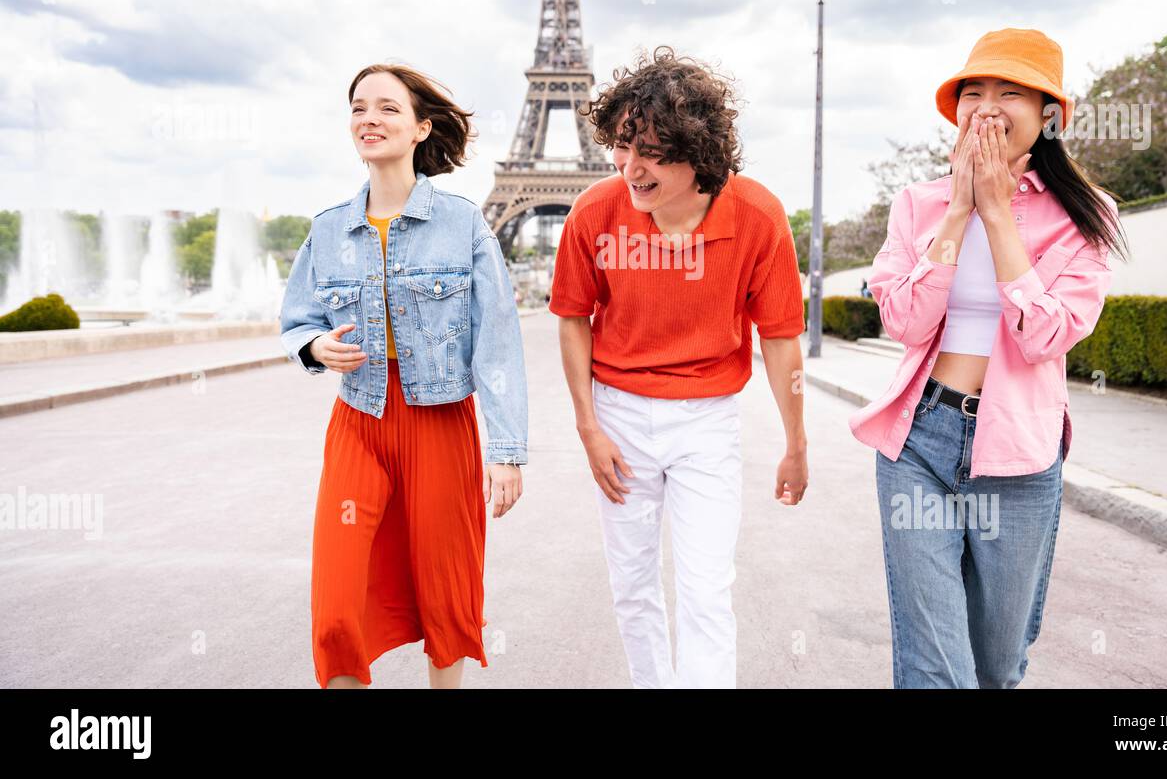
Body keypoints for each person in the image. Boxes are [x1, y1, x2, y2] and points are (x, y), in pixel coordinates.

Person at [849, 29, 1128, 688]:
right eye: (973, 90)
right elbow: (904, 320)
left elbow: (1046, 336)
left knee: (996, 665)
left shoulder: (1084, 217)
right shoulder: (918, 204)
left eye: (1010, 91)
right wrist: (957, 213)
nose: (986, 104)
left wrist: (999, 216)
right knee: (935, 664)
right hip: (920, 440)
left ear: (1049, 115)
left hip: (1019, 452)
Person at [549, 46, 809, 689]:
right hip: (620, 413)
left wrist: (796, 443)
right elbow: (573, 318)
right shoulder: (594, 211)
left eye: (652, 153)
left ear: (701, 153)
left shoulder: (756, 214)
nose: (630, 169)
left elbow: (779, 339)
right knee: (632, 588)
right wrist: (588, 427)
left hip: (707, 420)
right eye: (621, 146)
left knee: (705, 590)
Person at [279, 63, 528, 689]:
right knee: (336, 605)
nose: (370, 118)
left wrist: (506, 451)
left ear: (421, 127)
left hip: (441, 423)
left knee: (445, 596)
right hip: (358, 423)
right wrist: (313, 346)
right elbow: (297, 320)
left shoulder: (465, 223)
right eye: (359, 107)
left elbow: (497, 344)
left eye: (388, 108)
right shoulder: (328, 228)